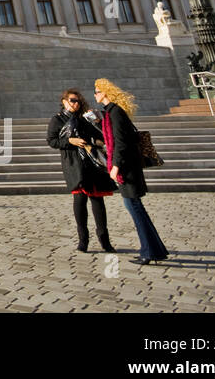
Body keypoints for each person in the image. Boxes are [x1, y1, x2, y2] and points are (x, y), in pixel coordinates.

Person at [94, 77, 169, 265]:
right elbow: (114, 137)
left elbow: (121, 142)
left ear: (105, 93)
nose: (94, 94)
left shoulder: (115, 112)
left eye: (96, 91)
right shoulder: (111, 112)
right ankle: (155, 249)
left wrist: (116, 166)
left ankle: (149, 251)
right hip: (126, 167)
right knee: (136, 208)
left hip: (126, 169)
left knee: (134, 208)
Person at [46, 89, 116, 253]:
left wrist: (97, 121)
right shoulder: (57, 119)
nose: (75, 104)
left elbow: (101, 137)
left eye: (78, 101)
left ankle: (104, 240)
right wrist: (69, 140)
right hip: (74, 164)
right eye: (72, 100)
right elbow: (52, 141)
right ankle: (83, 240)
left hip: (92, 162)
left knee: (98, 201)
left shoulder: (84, 118)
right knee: (80, 200)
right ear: (64, 101)